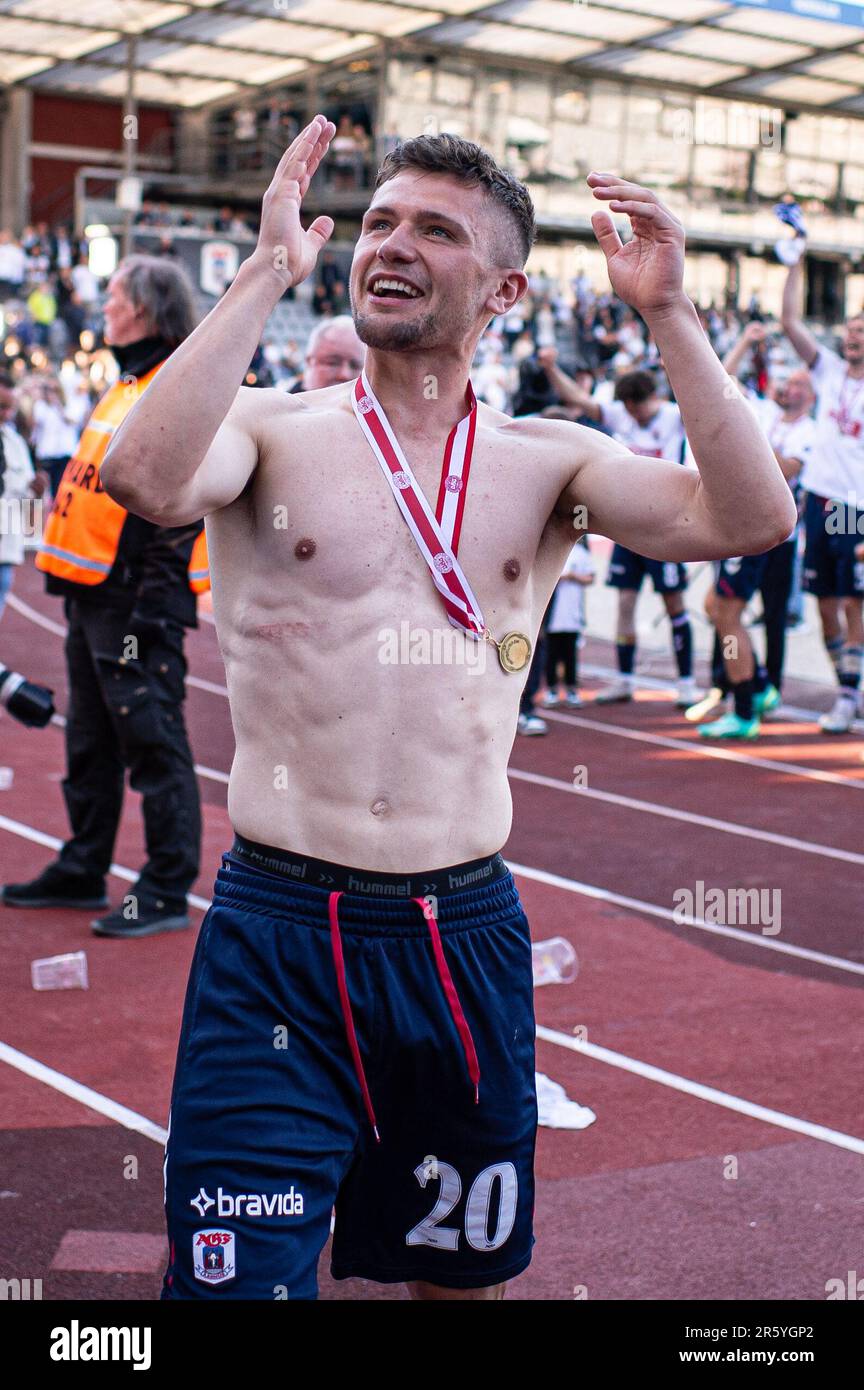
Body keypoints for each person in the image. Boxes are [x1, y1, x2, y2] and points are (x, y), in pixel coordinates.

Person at [98, 118, 794, 1301]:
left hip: (459, 933)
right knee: (228, 1289)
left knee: (457, 1287)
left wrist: (671, 313)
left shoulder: (548, 465)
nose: (392, 244)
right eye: (378, 221)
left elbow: (751, 518)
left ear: (507, 290)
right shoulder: (269, 430)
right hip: (277, 939)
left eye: (436, 229)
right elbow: (145, 476)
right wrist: (266, 271)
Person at [1, 256, 207, 938]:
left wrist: (150, 611)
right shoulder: (130, 380)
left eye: (114, 299)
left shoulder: (174, 385)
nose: (103, 309)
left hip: (133, 605)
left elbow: (174, 509)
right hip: (93, 595)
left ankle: (165, 887)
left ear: (145, 310)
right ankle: (85, 864)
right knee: (90, 742)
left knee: (152, 741)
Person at [536, 362, 700, 707]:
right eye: (627, 408)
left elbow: (706, 389)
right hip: (628, 527)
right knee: (625, 603)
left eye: (638, 408)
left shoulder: (673, 416)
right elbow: (578, 398)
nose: (633, 415)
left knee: (674, 603)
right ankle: (625, 679)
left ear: (652, 398)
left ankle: (686, 682)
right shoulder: (620, 415)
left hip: (667, 524)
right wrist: (552, 368)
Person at [690, 326, 816, 738]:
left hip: (770, 534)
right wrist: (745, 342)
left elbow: (785, 470)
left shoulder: (808, 431)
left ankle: (746, 707)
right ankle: (757, 686)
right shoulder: (763, 412)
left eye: (799, 383)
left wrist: (750, 438)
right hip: (747, 530)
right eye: (787, 381)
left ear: (811, 395)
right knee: (718, 608)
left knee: (733, 612)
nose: (789, 387)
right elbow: (720, 382)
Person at [781, 252, 864, 733]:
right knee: (825, 607)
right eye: (850, 331)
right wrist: (794, 263)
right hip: (821, 501)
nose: (853, 338)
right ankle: (849, 686)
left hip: (855, 509)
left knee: (854, 604)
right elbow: (790, 321)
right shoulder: (829, 370)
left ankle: (849, 698)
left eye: (861, 333)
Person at [0, 372, 48, 622]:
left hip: (6, 538)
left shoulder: (15, 442)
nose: (6, 414)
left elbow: (28, 493)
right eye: (1, 407)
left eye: (9, 408)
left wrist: (36, 489)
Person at [541, 536, 594, 708]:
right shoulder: (553, 551)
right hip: (552, 614)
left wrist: (573, 576)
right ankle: (552, 689)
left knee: (570, 654)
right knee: (552, 654)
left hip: (572, 613)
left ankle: (572, 689)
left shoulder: (581, 554)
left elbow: (590, 577)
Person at [285, 315, 364, 393]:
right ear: (309, 361)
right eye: (332, 363)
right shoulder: (280, 405)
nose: (345, 374)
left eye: (355, 366)